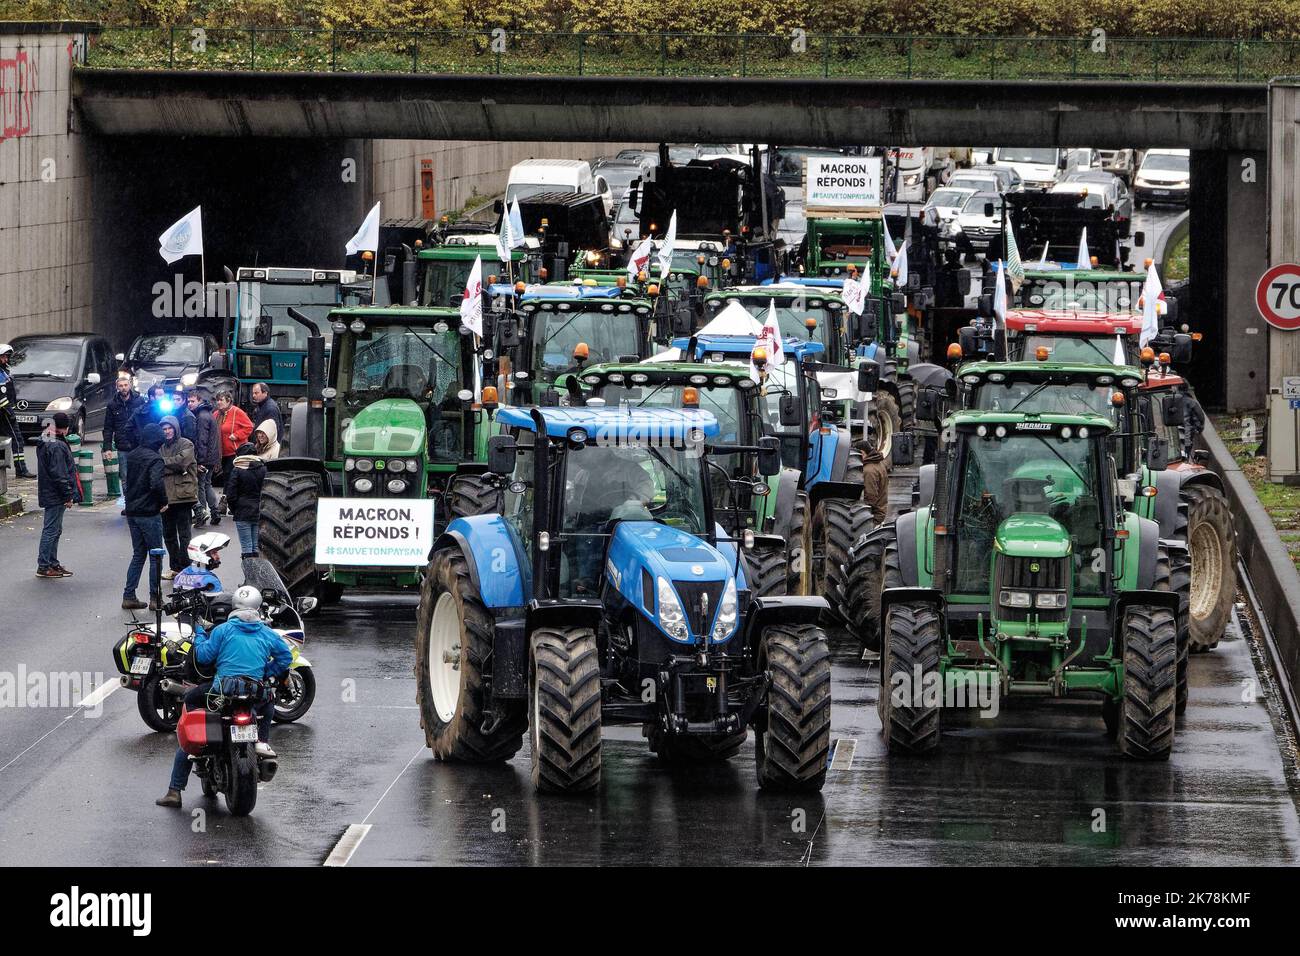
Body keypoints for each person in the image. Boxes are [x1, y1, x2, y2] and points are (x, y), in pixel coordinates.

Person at [156, 585, 293, 809]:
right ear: (258, 608)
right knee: (268, 704)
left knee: (190, 701)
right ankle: (261, 742)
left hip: (222, 690)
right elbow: (285, 658)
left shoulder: (224, 630)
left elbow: (203, 656)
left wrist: (200, 634)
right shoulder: (267, 633)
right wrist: (266, 673)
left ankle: (174, 791)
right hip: (253, 692)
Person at [122, 423, 169, 611]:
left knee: (138, 554)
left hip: (132, 511)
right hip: (149, 512)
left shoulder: (132, 455)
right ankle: (155, 598)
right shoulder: (155, 459)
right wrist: (163, 501)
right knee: (156, 556)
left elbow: (126, 481)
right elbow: (156, 483)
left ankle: (129, 594)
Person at [35, 412, 78, 578]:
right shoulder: (57, 446)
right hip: (55, 494)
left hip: (50, 491)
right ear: (65, 428)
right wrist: (68, 495)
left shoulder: (47, 440)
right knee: (51, 530)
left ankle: (52, 562)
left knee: (55, 529)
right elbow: (60, 474)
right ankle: (44, 565)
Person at [159, 414, 199, 579]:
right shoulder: (160, 447)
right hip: (167, 497)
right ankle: (175, 567)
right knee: (168, 534)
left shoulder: (186, 443)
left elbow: (182, 462)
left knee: (184, 534)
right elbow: (161, 464)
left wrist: (164, 463)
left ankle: (185, 566)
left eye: (169, 428)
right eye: (164, 429)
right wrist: (171, 464)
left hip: (184, 495)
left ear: (175, 429)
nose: (167, 431)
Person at [103, 372, 146, 500]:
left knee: (139, 476)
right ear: (117, 387)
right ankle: (129, 503)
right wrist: (107, 448)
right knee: (125, 477)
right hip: (122, 446)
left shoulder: (139, 401)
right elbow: (108, 428)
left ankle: (139, 502)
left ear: (130, 385)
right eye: (121, 386)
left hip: (138, 445)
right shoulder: (112, 405)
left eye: (126, 385)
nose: (123, 388)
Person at [224, 441, 266, 558]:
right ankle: (258, 573)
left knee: (246, 547)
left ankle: (249, 574)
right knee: (256, 547)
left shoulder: (237, 470)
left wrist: (235, 509)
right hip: (259, 511)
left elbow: (231, 494)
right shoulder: (263, 469)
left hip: (242, 512)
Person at [187, 389, 221, 527]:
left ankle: (201, 514)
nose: (189, 404)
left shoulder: (201, 417)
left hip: (204, 458)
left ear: (199, 401)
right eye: (188, 401)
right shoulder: (209, 414)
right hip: (212, 456)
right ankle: (215, 511)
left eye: (192, 401)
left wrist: (199, 461)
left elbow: (202, 441)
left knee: (200, 485)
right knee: (207, 484)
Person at [0, 343, 31, 478]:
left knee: (2, 441)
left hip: (5, 412)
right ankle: (21, 470)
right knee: (17, 440)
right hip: (5, 414)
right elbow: (1, 397)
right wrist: (10, 412)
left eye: (6, 357)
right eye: (3, 357)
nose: (6, 360)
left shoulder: (4, 371)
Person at [215, 390, 253, 479]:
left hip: (234, 453)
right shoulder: (216, 414)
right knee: (225, 477)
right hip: (221, 453)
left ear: (228, 401)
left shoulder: (237, 412)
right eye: (217, 400)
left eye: (221, 400)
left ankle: (228, 493)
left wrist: (237, 435)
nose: (218, 402)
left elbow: (249, 427)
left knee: (230, 477)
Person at [859, 423, 889, 527]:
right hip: (881, 511)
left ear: (863, 453)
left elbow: (870, 497)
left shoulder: (869, 471)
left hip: (873, 516)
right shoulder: (879, 463)